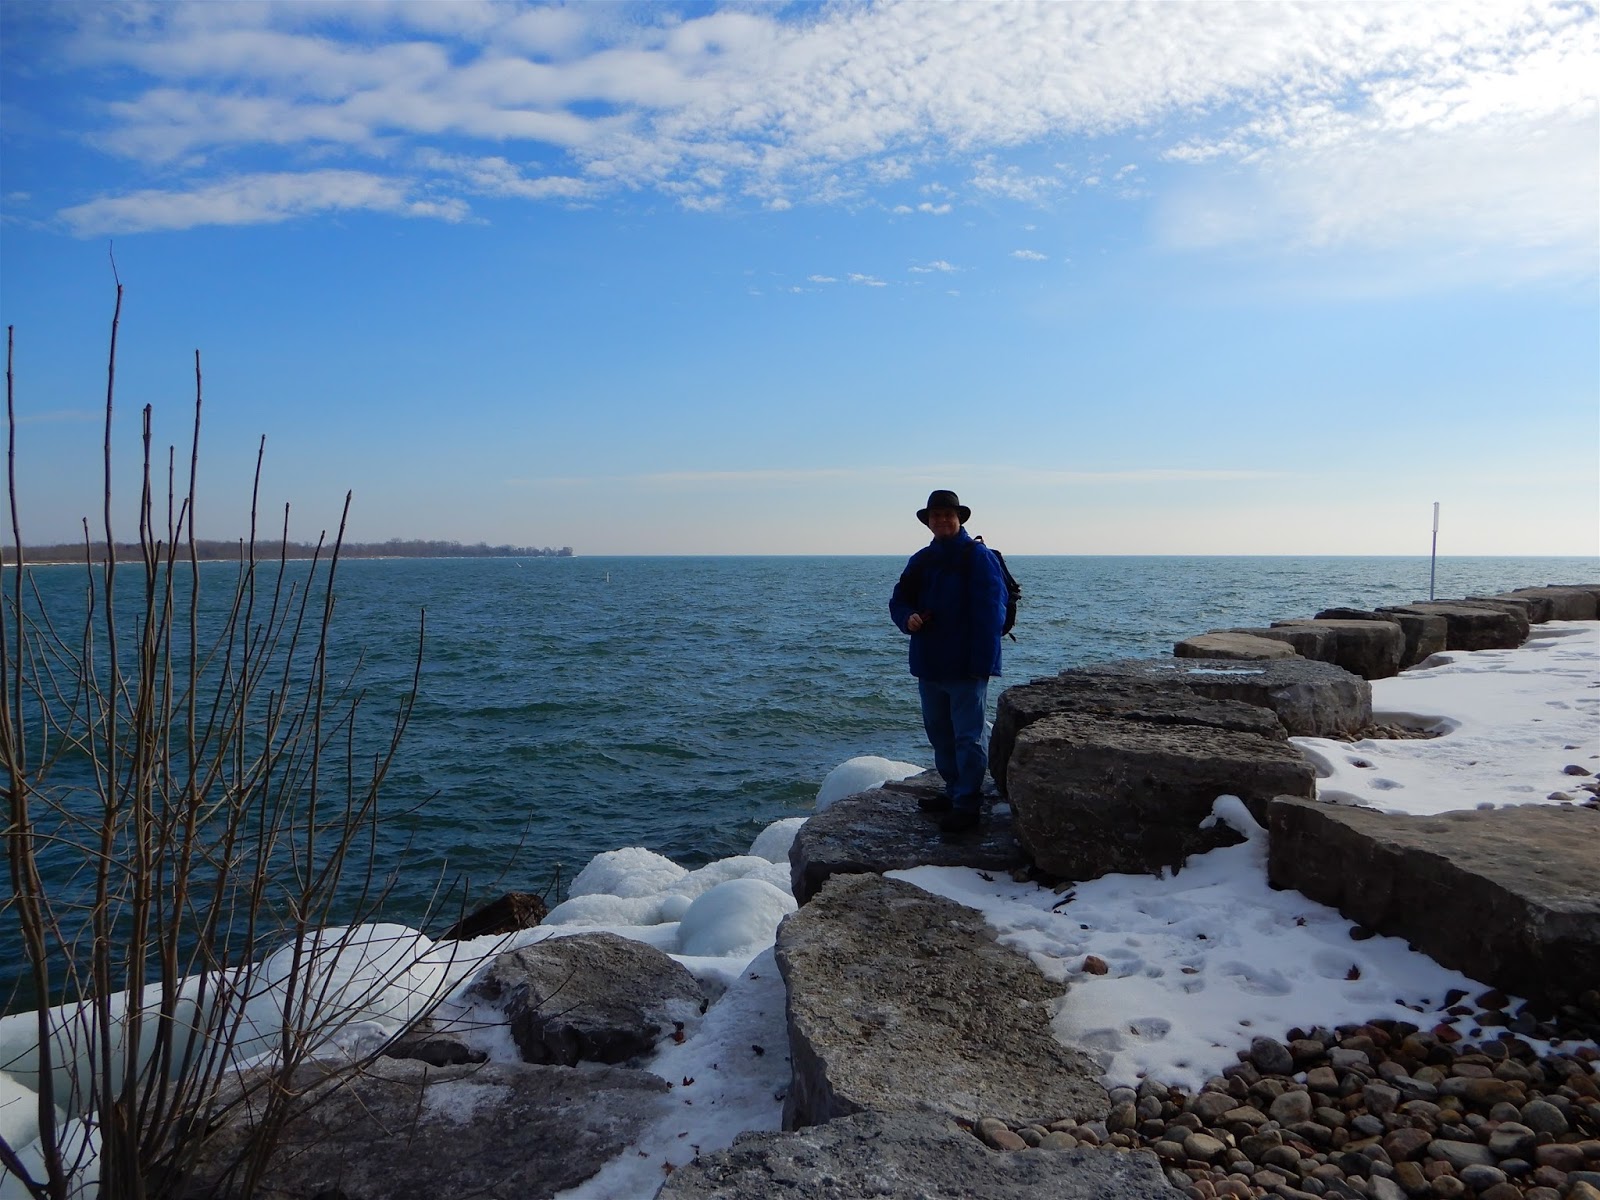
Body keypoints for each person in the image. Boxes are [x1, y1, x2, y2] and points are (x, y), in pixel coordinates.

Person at [889, 489, 1008, 833]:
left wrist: (983, 665)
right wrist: (907, 616)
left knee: (967, 737)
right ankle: (954, 790)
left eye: (947, 515)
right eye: (935, 515)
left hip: (966, 667)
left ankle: (967, 804)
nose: (941, 520)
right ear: (928, 521)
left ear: (960, 519)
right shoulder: (922, 559)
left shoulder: (978, 557)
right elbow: (899, 599)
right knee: (940, 733)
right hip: (929, 663)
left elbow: (992, 614)